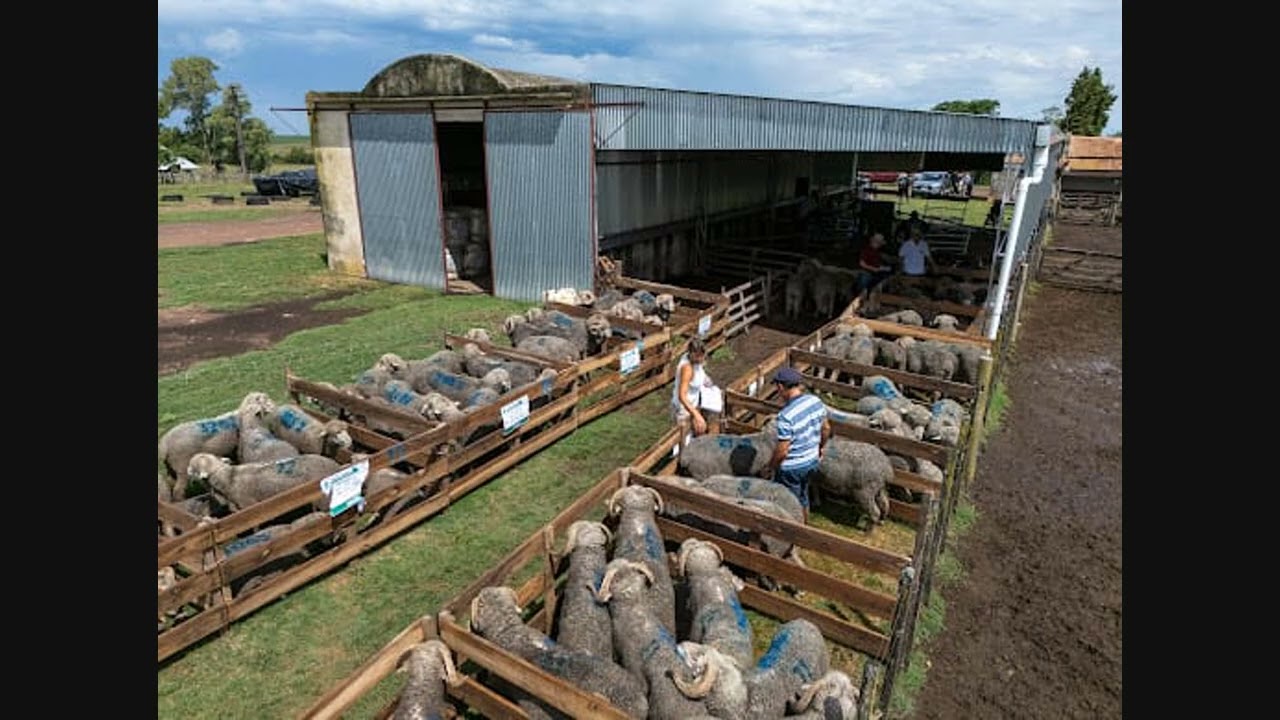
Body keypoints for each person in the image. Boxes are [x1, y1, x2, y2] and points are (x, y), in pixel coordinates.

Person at [762, 366, 830, 521]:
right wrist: (820, 448)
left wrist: (770, 467)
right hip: (811, 460)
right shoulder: (815, 401)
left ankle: (795, 532)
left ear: (780, 387)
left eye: (777, 387)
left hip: (792, 468)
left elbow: (783, 451)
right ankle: (805, 525)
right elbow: (826, 428)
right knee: (803, 494)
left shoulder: (785, 416)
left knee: (789, 503)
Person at [671, 337, 715, 436]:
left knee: (693, 434)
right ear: (691, 354)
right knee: (683, 438)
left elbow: (699, 371)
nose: (702, 359)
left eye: (703, 356)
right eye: (699, 356)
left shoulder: (695, 361)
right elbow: (682, 396)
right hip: (683, 409)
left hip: (693, 405)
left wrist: (706, 380)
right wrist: (696, 415)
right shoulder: (687, 368)